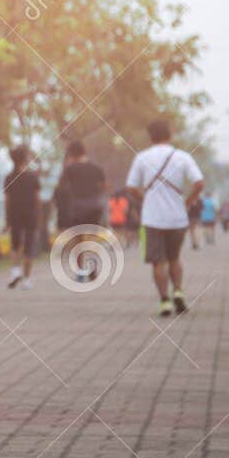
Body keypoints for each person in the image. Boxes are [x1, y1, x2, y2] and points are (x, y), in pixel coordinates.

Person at [126, 120, 205, 316]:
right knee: (174, 258)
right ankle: (178, 291)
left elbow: (130, 187)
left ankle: (165, 301)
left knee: (158, 261)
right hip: (177, 218)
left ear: (150, 136)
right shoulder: (182, 157)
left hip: (152, 218)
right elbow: (199, 183)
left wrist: (144, 199)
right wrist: (187, 202)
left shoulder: (142, 158)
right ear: (169, 135)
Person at [54, 140, 109, 282]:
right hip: (94, 207)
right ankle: (92, 266)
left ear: (71, 153)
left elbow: (61, 186)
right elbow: (105, 186)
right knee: (91, 238)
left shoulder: (70, 168)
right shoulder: (96, 167)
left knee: (77, 240)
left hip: (77, 207)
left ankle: (80, 272)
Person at [3, 145, 42, 290]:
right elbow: (37, 199)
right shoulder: (32, 177)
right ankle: (26, 280)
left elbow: (7, 201)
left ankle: (15, 271)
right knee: (28, 246)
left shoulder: (9, 177)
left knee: (15, 244)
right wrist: (38, 215)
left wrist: (7, 221)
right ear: (25, 158)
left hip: (14, 215)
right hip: (30, 215)